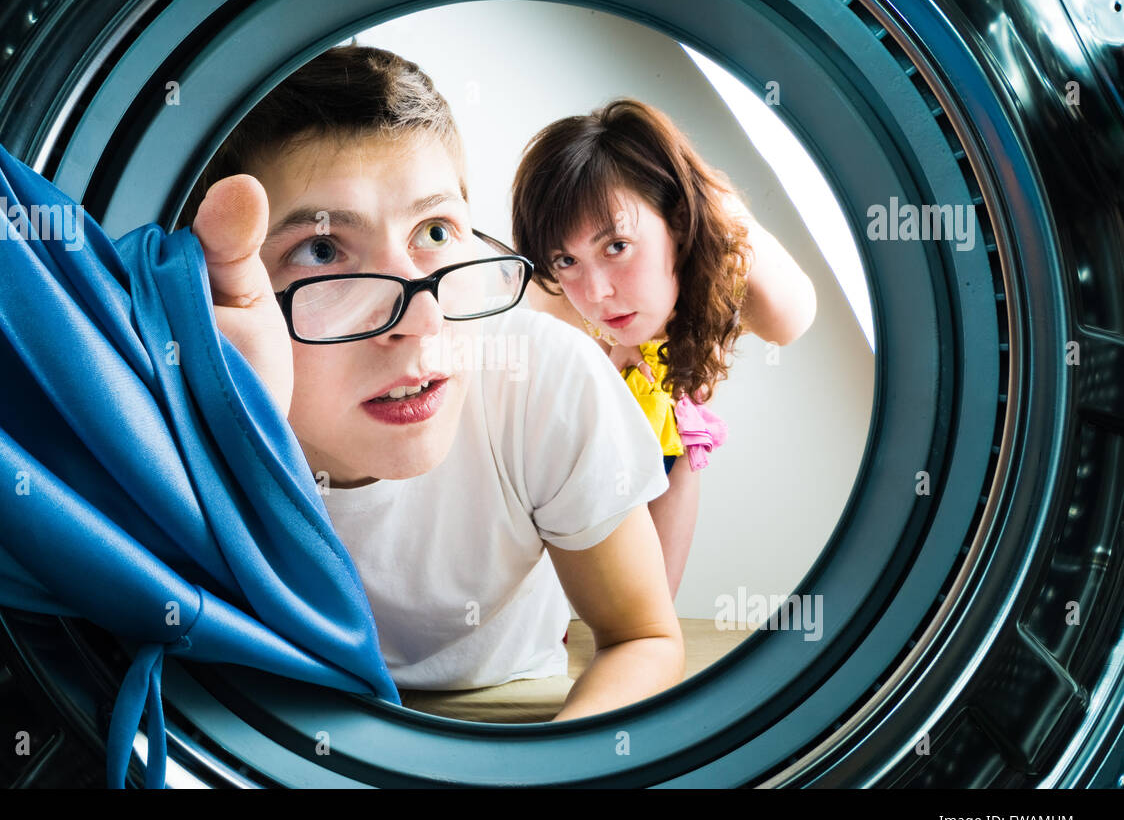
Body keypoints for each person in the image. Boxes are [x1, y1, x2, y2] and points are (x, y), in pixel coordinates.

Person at [181, 46, 685, 723]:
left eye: (435, 230)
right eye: (323, 251)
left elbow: (643, 637)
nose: (422, 319)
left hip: (510, 699)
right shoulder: (180, 415)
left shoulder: (544, 379)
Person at [511, 99, 817, 599]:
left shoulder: (738, 256)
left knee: (681, 421)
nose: (597, 292)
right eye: (566, 258)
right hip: (548, 483)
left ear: (678, 220)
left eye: (616, 246)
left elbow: (792, 321)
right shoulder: (548, 306)